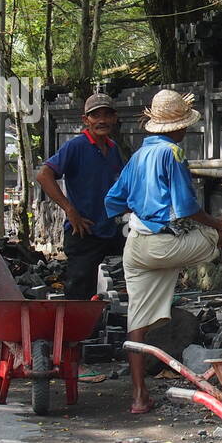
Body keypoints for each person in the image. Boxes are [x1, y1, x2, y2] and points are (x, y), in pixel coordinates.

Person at [104, 89, 222, 414]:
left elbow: (113, 200)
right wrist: (217, 222)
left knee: (136, 323)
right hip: (163, 243)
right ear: (179, 127)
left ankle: (139, 396)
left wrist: (143, 209)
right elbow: (185, 207)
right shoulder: (172, 153)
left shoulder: (139, 155)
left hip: (136, 245)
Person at [36, 93, 125, 299]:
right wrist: (70, 210)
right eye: (96, 116)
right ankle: (76, 331)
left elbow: (122, 185)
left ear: (114, 118)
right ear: (86, 120)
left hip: (109, 230)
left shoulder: (113, 149)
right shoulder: (76, 146)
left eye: (107, 115)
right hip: (83, 231)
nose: (102, 120)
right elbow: (44, 175)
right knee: (79, 294)